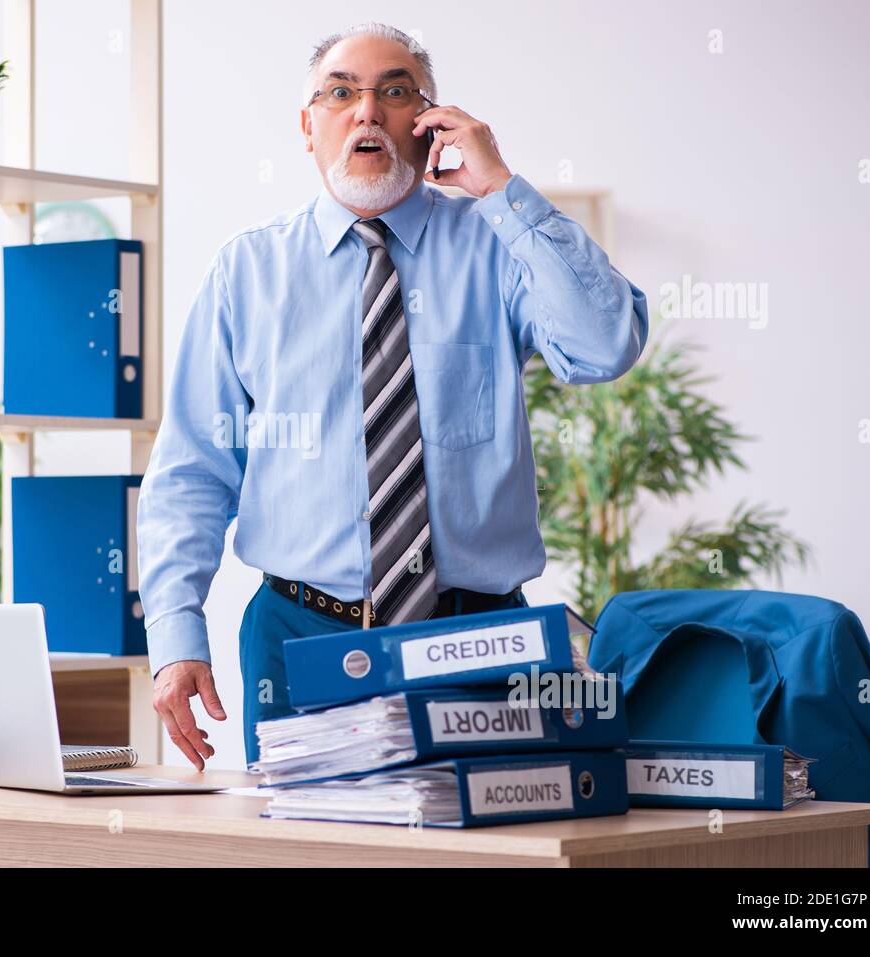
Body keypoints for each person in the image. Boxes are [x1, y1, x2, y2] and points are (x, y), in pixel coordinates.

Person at [137, 22, 649, 768]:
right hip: (298, 634)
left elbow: (606, 346)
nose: (367, 110)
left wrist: (504, 189)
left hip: (481, 642)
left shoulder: (496, 246)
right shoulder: (247, 272)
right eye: (340, 92)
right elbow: (191, 470)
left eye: (395, 91)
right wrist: (175, 636)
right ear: (308, 127)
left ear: (431, 125)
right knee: (308, 854)